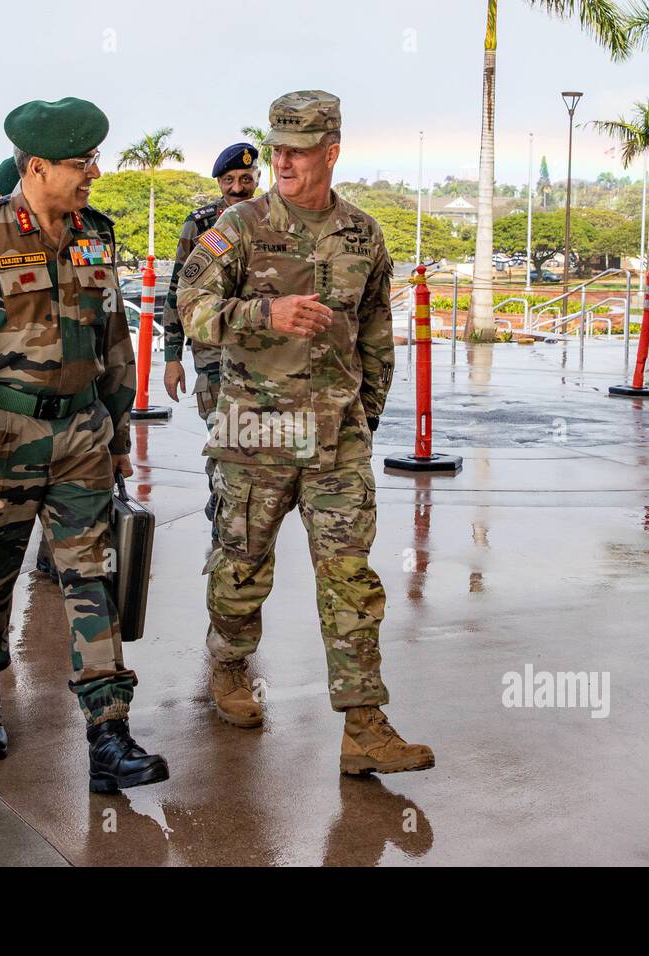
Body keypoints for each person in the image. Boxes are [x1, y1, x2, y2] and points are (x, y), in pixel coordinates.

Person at [177, 90, 434, 775]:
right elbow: (190, 307)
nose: (283, 161)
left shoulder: (363, 235)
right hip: (254, 432)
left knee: (350, 575)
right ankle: (228, 663)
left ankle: (364, 726)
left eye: (297, 149)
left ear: (332, 152)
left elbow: (377, 334)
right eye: (277, 148)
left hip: (335, 438)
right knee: (242, 567)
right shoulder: (239, 225)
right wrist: (265, 314)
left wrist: (365, 416)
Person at [0, 97, 168, 793]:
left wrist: (117, 433)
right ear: (37, 167)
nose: (94, 171)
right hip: (2, 439)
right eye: (80, 162)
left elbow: (114, 341)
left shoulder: (94, 234)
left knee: (90, 576)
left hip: (82, 439)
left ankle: (109, 735)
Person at [163, 142, 260, 525]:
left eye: (246, 179)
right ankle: (223, 512)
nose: (238, 187)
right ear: (219, 182)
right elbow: (178, 290)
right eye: (229, 180)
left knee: (253, 441)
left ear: (257, 179)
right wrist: (172, 357)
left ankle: (237, 513)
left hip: (262, 351)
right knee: (223, 436)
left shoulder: (275, 220)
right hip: (213, 350)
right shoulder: (202, 224)